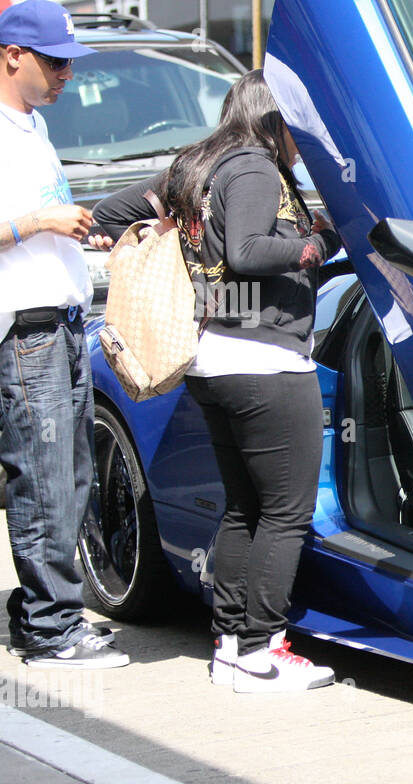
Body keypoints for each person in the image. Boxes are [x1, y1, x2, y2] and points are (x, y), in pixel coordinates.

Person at [94, 70, 341, 692]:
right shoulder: (255, 167)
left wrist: (166, 229)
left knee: (245, 507)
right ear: (273, 119)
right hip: (266, 360)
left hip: (213, 357)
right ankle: (263, 651)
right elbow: (250, 253)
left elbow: (111, 212)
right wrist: (312, 246)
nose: (301, 140)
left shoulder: (197, 167)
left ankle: (233, 646)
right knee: (286, 512)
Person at [0, 0, 127, 668]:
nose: (66, 75)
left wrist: (74, 230)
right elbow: (22, 224)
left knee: (71, 476)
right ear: (13, 54)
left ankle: (45, 616)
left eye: (70, 62)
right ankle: (51, 631)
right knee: (44, 478)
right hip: (26, 333)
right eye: (55, 61)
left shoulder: (32, 126)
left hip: (63, 324)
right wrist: (39, 223)